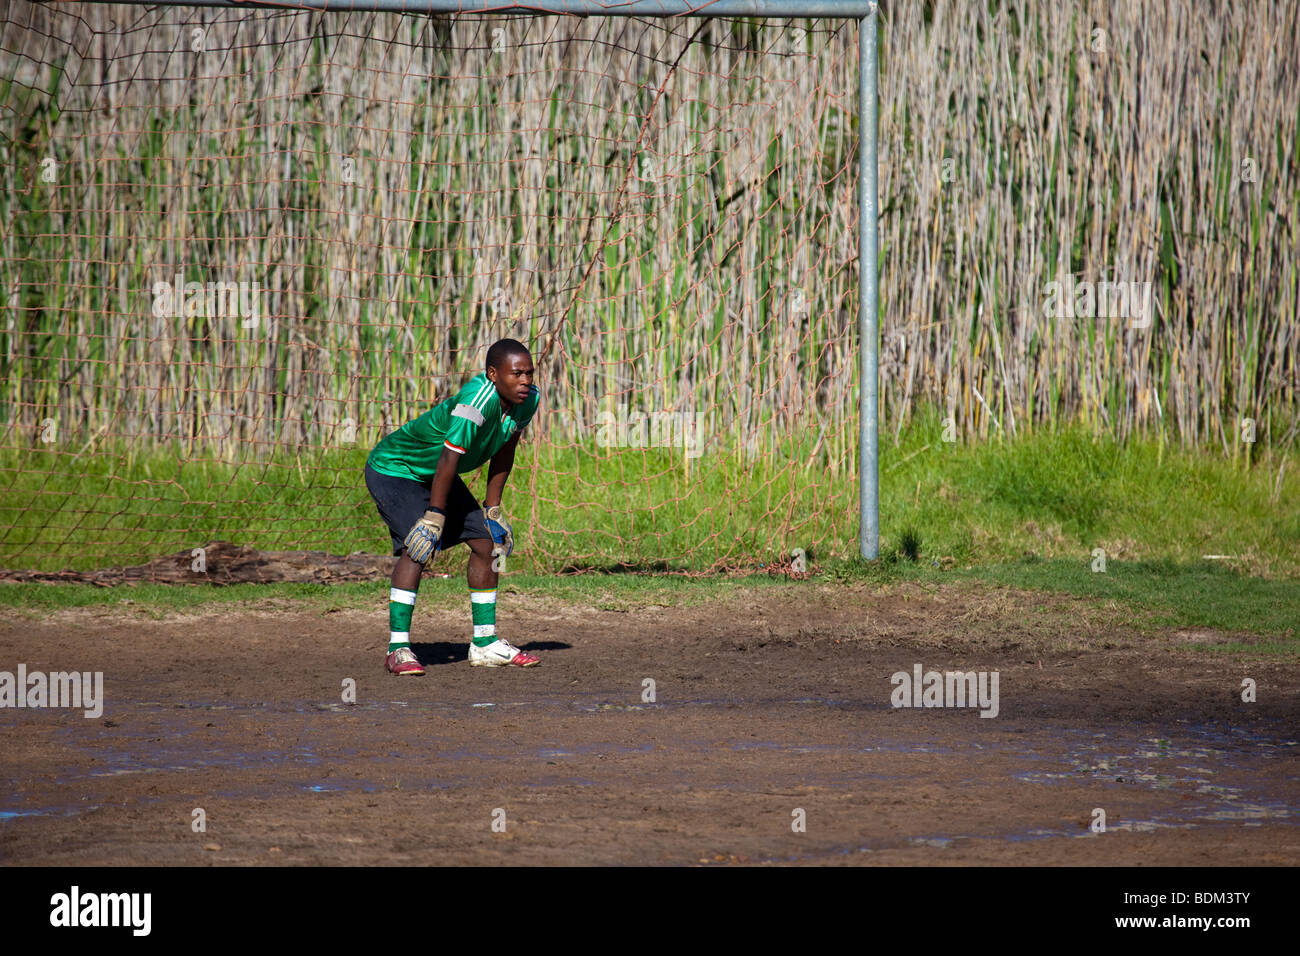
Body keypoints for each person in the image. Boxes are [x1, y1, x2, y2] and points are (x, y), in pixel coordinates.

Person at [363, 338, 541, 674]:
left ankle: (485, 643)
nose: (526, 381)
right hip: (395, 469)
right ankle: (398, 648)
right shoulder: (475, 401)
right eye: (517, 373)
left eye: (529, 373)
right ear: (492, 374)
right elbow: (448, 458)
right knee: (418, 545)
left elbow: (505, 450)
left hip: (438, 474)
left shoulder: (528, 401)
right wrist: (434, 515)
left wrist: (493, 509)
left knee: (488, 544)